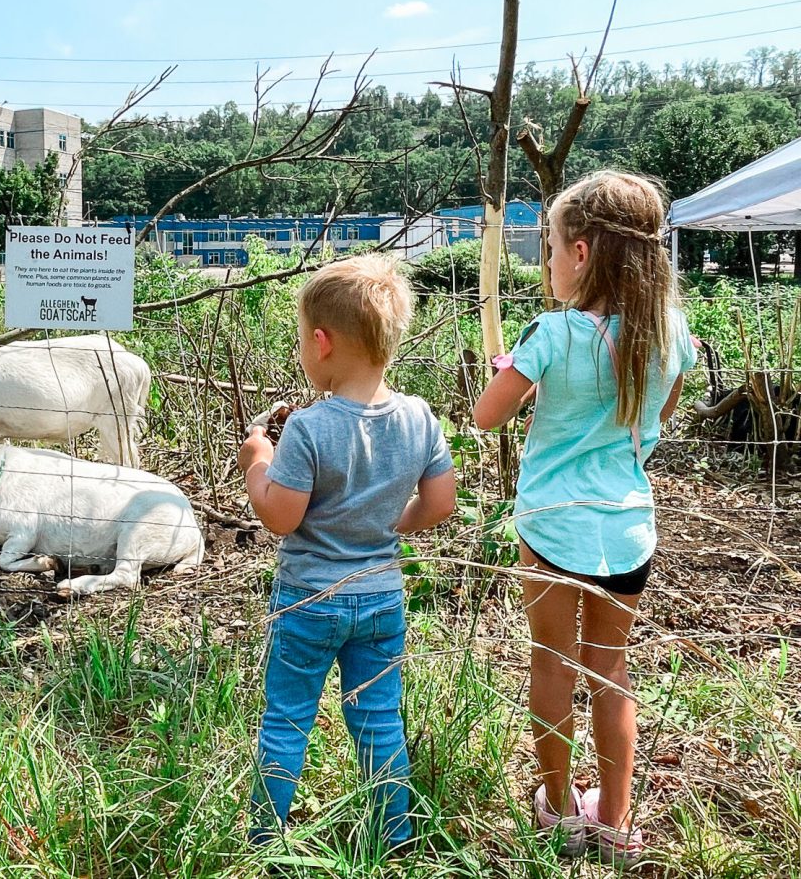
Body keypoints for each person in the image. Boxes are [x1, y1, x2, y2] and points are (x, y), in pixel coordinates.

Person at [473, 171, 698, 866]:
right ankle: (618, 819)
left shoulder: (553, 334)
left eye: (550, 248)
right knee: (611, 669)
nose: (546, 263)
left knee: (551, 660)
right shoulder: (671, 333)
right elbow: (655, 417)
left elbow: (487, 416)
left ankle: (561, 810)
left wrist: (512, 367)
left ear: (581, 255)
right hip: (627, 527)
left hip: (550, 525)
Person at [237, 254, 457, 851]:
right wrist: (390, 527)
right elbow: (440, 503)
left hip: (310, 598)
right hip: (382, 596)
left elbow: (281, 515)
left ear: (321, 341)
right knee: (380, 720)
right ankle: (396, 836)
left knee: (286, 721)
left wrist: (257, 460)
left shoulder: (309, 428)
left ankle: (264, 840)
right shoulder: (418, 417)